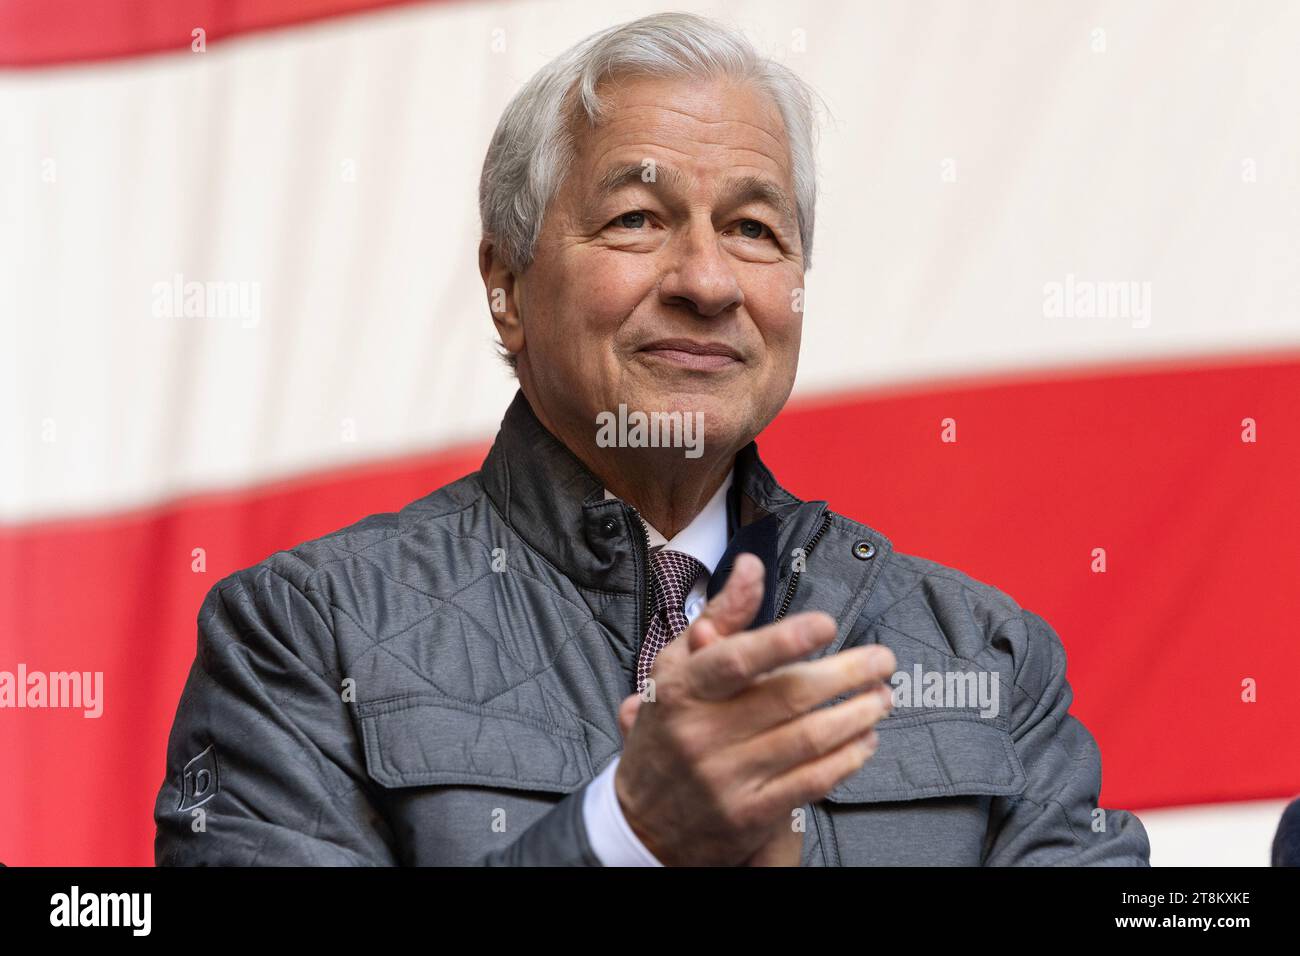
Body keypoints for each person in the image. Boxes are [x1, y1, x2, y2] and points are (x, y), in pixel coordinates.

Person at [154, 11, 1150, 866]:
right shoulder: (301, 634)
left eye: (755, 229)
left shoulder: (989, 657)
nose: (708, 282)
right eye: (637, 218)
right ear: (506, 289)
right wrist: (626, 832)